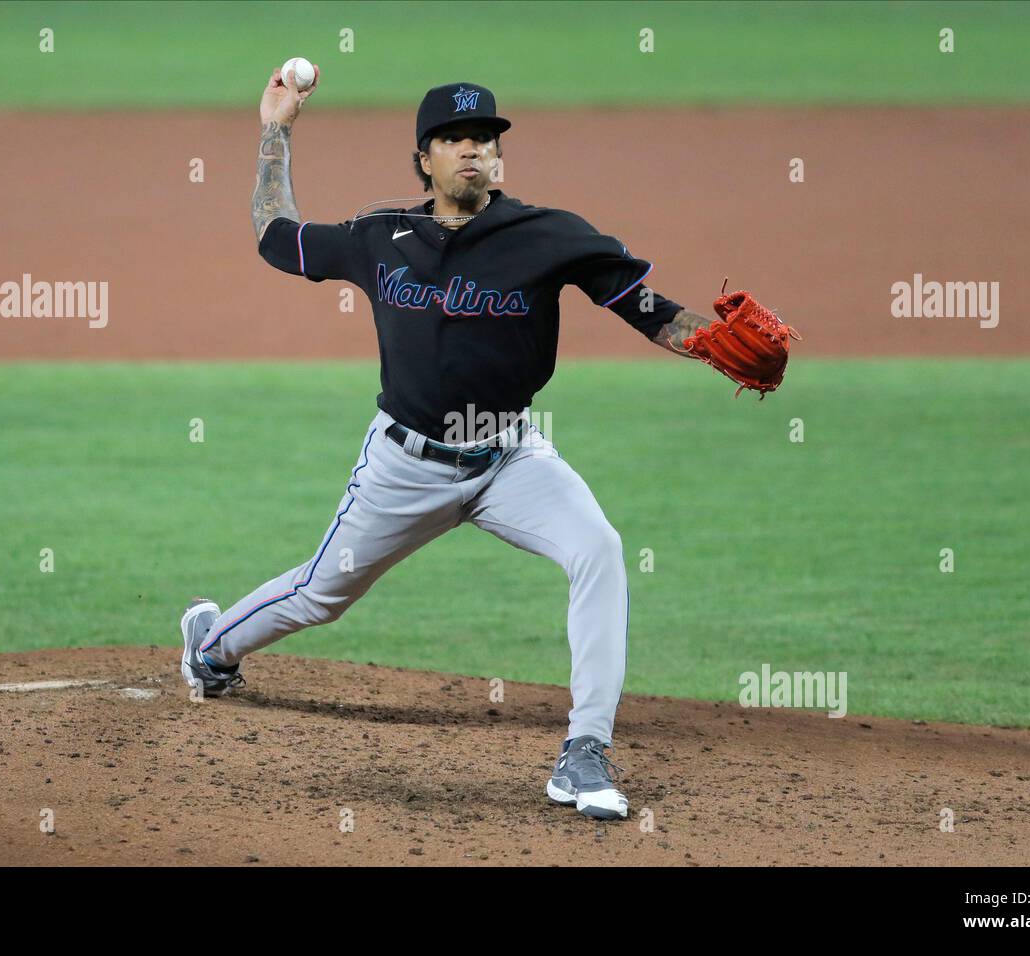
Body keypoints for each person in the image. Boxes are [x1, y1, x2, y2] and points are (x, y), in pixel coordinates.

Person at [180, 67, 716, 821]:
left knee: (598, 547)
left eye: (485, 140)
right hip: (405, 466)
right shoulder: (379, 239)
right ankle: (211, 645)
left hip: (510, 457)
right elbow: (276, 237)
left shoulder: (549, 236)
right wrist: (276, 129)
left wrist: (715, 342)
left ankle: (585, 749)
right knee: (320, 594)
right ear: (424, 159)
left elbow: (650, 310)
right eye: (454, 139)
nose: (473, 150)